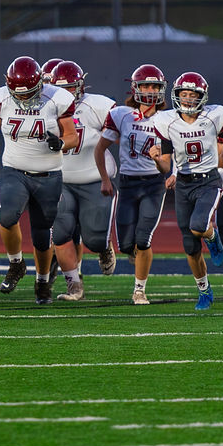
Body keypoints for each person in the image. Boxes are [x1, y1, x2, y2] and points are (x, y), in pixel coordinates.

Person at [0, 56, 77, 304]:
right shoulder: (0, 98)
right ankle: (16, 264)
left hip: (48, 175)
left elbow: (72, 137)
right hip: (14, 170)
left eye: (29, 92)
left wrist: (60, 142)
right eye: (19, 93)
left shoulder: (56, 98)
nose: (23, 98)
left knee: (41, 234)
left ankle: (42, 281)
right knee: (7, 216)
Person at [151, 71, 223, 311]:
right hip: (183, 184)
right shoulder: (167, 121)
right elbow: (166, 162)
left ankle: (213, 237)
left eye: (193, 95)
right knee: (190, 246)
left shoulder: (214, 116)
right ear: (176, 95)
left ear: (202, 97)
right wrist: (158, 161)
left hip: (209, 180)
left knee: (199, 225)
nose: (188, 99)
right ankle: (204, 290)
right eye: (184, 94)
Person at [97, 64, 170, 305]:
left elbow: (167, 167)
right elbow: (100, 149)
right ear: (135, 88)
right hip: (127, 184)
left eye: (154, 86)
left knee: (143, 239)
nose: (150, 90)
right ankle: (134, 254)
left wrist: (158, 160)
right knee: (127, 244)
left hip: (153, 184)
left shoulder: (167, 120)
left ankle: (139, 289)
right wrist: (106, 179)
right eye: (146, 85)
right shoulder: (120, 114)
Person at [49, 60, 119, 301]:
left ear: (80, 86)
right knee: (60, 233)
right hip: (61, 179)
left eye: (70, 87)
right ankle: (74, 285)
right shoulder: (44, 107)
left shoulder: (99, 105)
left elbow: (123, 132)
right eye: (61, 88)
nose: (65, 93)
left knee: (94, 239)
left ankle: (104, 246)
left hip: (92, 178)